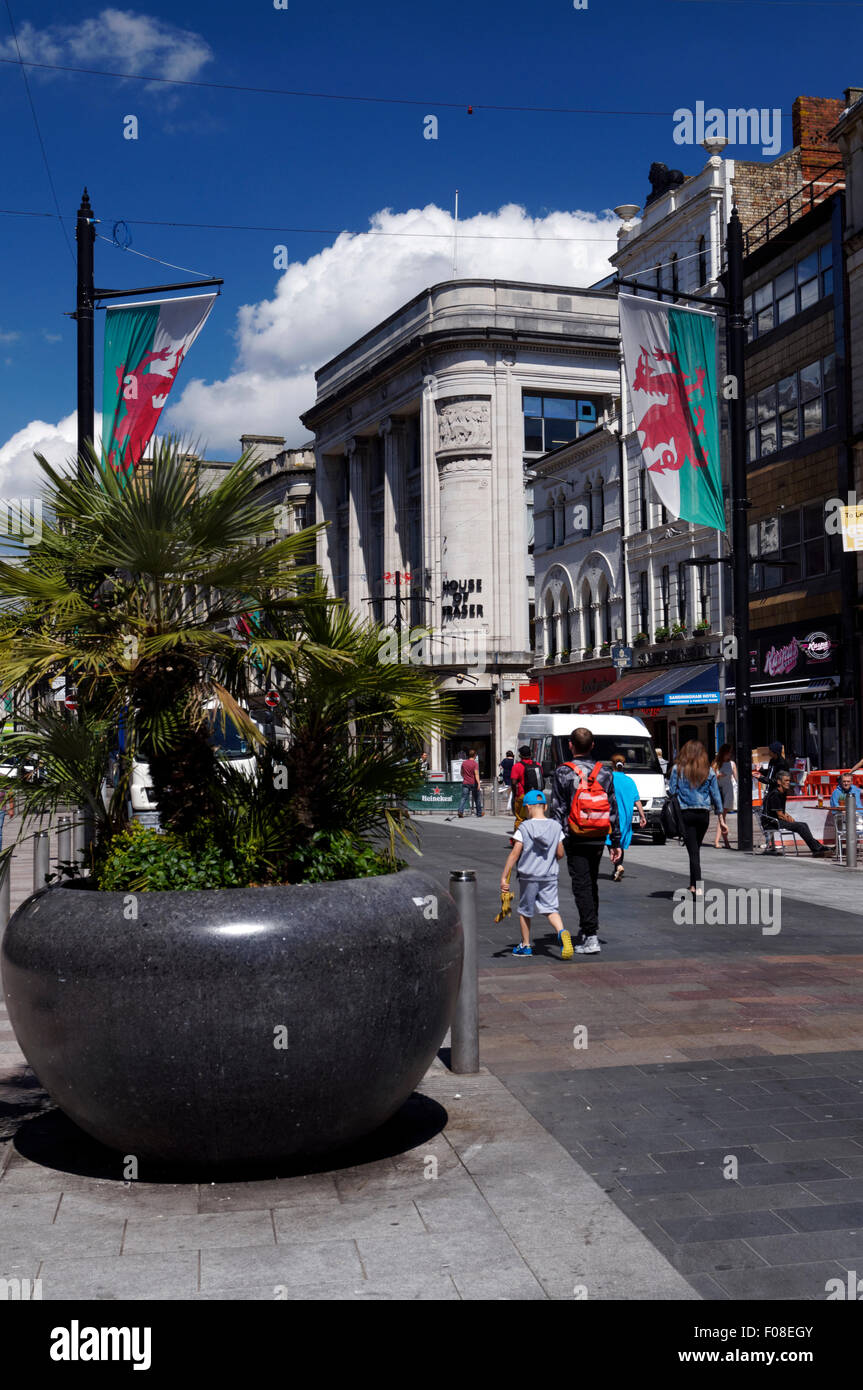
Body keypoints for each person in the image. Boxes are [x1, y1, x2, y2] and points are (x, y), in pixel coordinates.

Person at [549, 727, 621, 955]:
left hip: (575, 835)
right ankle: (589, 929)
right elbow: (612, 808)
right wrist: (615, 841)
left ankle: (590, 936)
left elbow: (558, 810)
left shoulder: (563, 772)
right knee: (591, 882)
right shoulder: (605, 773)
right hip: (598, 834)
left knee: (581, 884)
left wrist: (555, 840)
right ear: (592, 746)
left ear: (570, 745)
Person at [500, 789, 572, 960]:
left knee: (525, 911)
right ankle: (562, 932)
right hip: (549, 876)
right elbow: (560, 853)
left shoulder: (524, 827)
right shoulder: (556, 826)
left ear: (528, 808)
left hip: (529, 876)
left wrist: (504, 876)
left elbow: (515, 854)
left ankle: (525, 946)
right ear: (545, 807)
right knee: (551, 909)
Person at [668, 741, 727, 894]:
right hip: (703, 815)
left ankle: (698, 887)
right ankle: (693, 885)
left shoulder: (677, 769)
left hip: (686, 813)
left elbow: (672, 791)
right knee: (695, 849)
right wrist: (721, 819)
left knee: (693, 851)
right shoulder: (709, 771)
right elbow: (716, 796)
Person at [763, 770, 827, 856]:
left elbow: (782, 812)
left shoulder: (782, 793)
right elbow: (780, 815)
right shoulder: (775, 794)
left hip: (777, 820)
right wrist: (790, 820)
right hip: (771, 822)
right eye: (786, 781)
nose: (788, 783)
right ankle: (817, 849)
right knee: (800, 826)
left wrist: (789, 817)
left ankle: (818, 847)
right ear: (779, 782)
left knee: (803, 824)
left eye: (789, 781)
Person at [607, 753, 646, 881]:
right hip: (626, 816)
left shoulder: (609, 779)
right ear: (623, 765)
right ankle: (618, 867)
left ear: (612, 765)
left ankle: (617, 866)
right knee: (621, 843)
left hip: (611, 815)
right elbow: (637, 800)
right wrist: (642, 816)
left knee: (611, 840)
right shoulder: (630, 781)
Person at [510, 744, 543, 835]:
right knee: (535, 817)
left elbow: (513, 782)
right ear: (531, 754)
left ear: (520, 755)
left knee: (520, 818)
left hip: (523, 795)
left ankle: (518, 840)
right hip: (536, 796)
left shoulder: (517, 766)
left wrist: (515, 794)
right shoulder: (537, 765)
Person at [712, 743, 737, 849]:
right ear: (724, 753)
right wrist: (718, 775)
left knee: (722, 816)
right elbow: (712, 778)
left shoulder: (732, 764)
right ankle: (721, 841)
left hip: (728, 791)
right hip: (720, 791)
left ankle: (720, 841)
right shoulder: (716, 764)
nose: (730, 754)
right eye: (729, 752)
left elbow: (736, 778)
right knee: (722, 817)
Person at [457, 748, 483, 818]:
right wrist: (479, 784)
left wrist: (465, 777)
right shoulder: (475, 764)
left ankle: (460, 811)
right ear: (475, 755)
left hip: (465, 782)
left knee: (464, 798)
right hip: (473, 782)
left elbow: (461, 773)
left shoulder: (464, 763)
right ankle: (479, 813)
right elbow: (476, 774)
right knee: (477, 798)